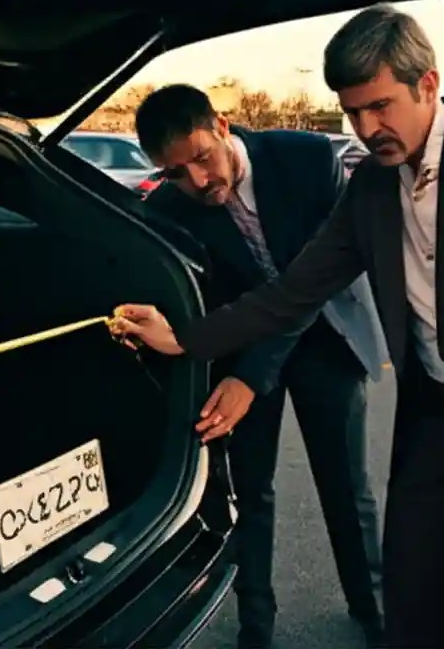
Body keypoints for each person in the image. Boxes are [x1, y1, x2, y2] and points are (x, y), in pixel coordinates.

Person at [112, 4, 444, 649]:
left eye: (380, 106)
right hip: (434, 417)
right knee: (414, 588)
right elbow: (293, 291)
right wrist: (184, 338)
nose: (367, 129)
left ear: (428, 84)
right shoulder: (371, 185)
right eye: (352, 113)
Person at [132, 84, 388, 648]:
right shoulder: (170, 208)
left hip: (324, 335)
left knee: (347, 489)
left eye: (202, 157)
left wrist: (251, 377)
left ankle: (373, 610)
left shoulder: (308, 159)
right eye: (175, 173)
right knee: (249, 491)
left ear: (223, 126)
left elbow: (310, 284)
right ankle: (256, 626)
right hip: (239, 346)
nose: (198, 180)